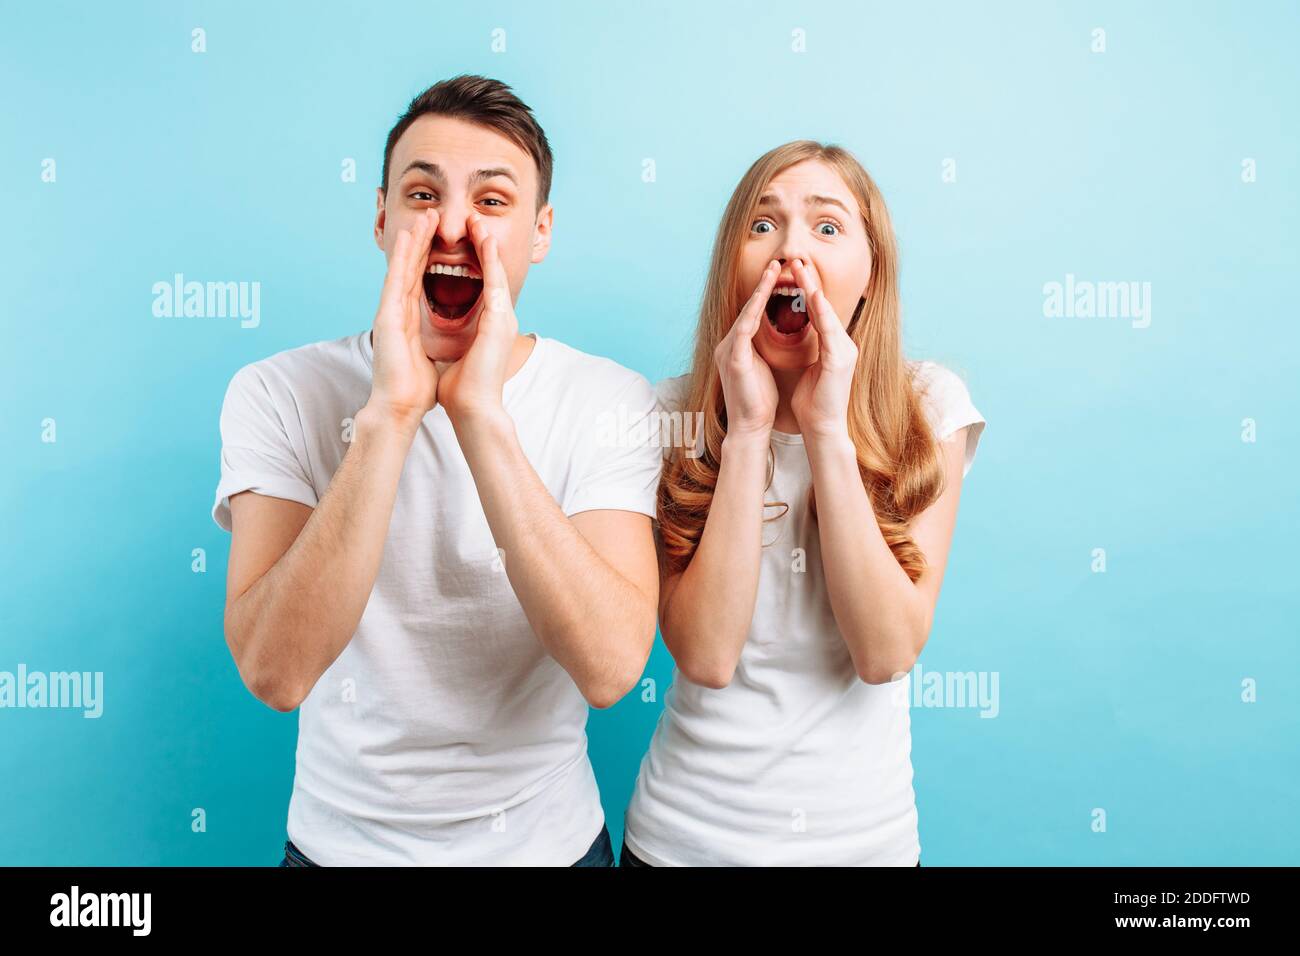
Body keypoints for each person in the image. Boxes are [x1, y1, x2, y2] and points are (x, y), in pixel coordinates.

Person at [212, 75, 662, 866]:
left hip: (550, 850)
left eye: (492, 202)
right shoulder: (278, 392)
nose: (452, 225)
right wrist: (387, 417)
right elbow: (275, 672)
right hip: (335, 852)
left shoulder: (607, 398)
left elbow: (611, 667)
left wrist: (480, 414)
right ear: (383, 218)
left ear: (541, 230)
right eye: (423, 195)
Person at [620, 141, 987, 866]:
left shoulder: (928, 408)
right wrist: (750, 428)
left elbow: (885, 653)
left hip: (867, 846)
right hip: (681, 842)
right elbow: (706, 655)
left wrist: (825, 428)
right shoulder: (669, 417)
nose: (791, 250)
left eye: (826, 227)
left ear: (870, 271)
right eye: (762, 226)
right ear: (732, 265)